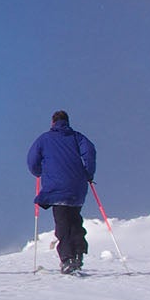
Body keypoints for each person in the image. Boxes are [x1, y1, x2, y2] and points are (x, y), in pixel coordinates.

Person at [28, 110, 97, 274]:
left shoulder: (44, 139)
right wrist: (88, 174)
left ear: (53, 122)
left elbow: (32, 161)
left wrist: (38, 171)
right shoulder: (77, 137)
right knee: (75, 219)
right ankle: (78, 254)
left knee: (63, 224)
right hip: (76, 186)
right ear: (67, 122)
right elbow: (90, 152)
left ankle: (67, 259)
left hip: (55, 187)